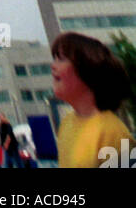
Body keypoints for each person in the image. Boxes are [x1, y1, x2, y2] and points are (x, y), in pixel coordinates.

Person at [51, 31, 134, 169]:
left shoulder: (112, 132)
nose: (53, 65)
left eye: (62, 59)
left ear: (87, 70)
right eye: (55, 58)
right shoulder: (66, 123)